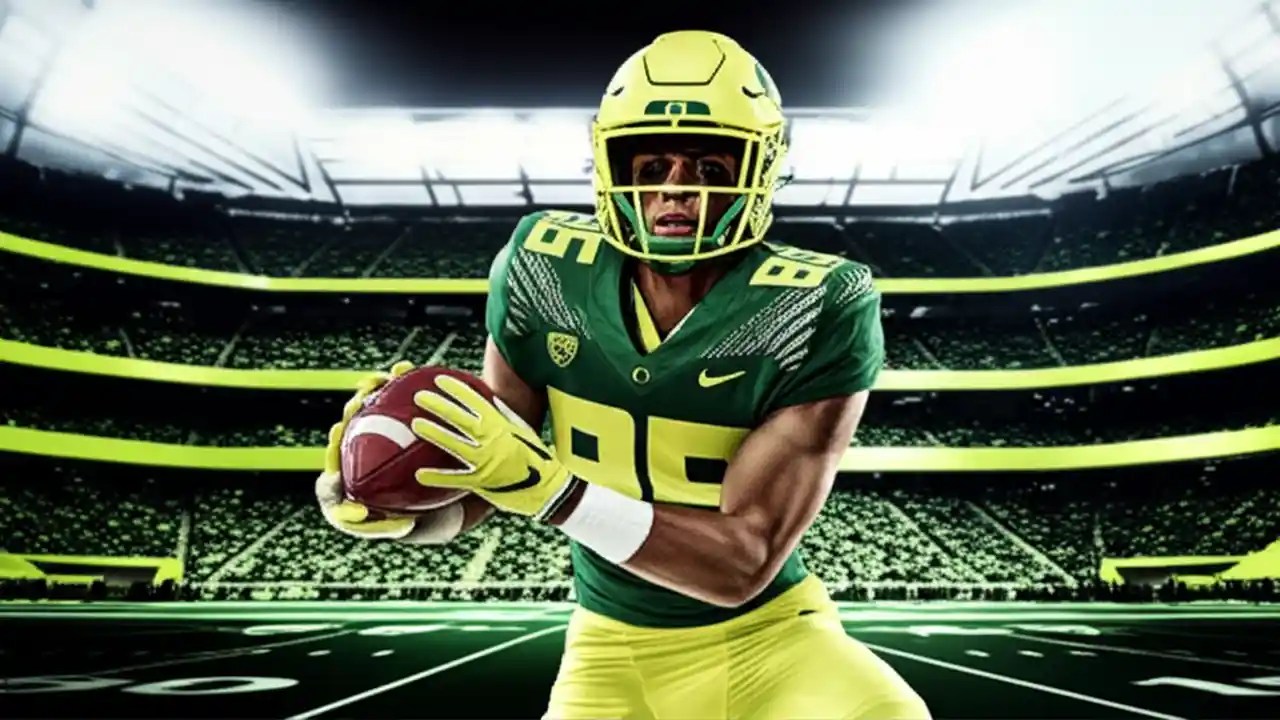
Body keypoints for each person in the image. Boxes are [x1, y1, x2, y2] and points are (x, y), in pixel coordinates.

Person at [315, 29, 930, 720]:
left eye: (708, 164)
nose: (677, 190)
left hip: (771, 639)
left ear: (760, 170)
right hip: (608, 649)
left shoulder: (813, 303)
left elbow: (741, 564)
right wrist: (400, 512)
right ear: (608, 164)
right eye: (653, 161)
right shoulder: (543, 270)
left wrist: (554, 492)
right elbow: (493, 479)